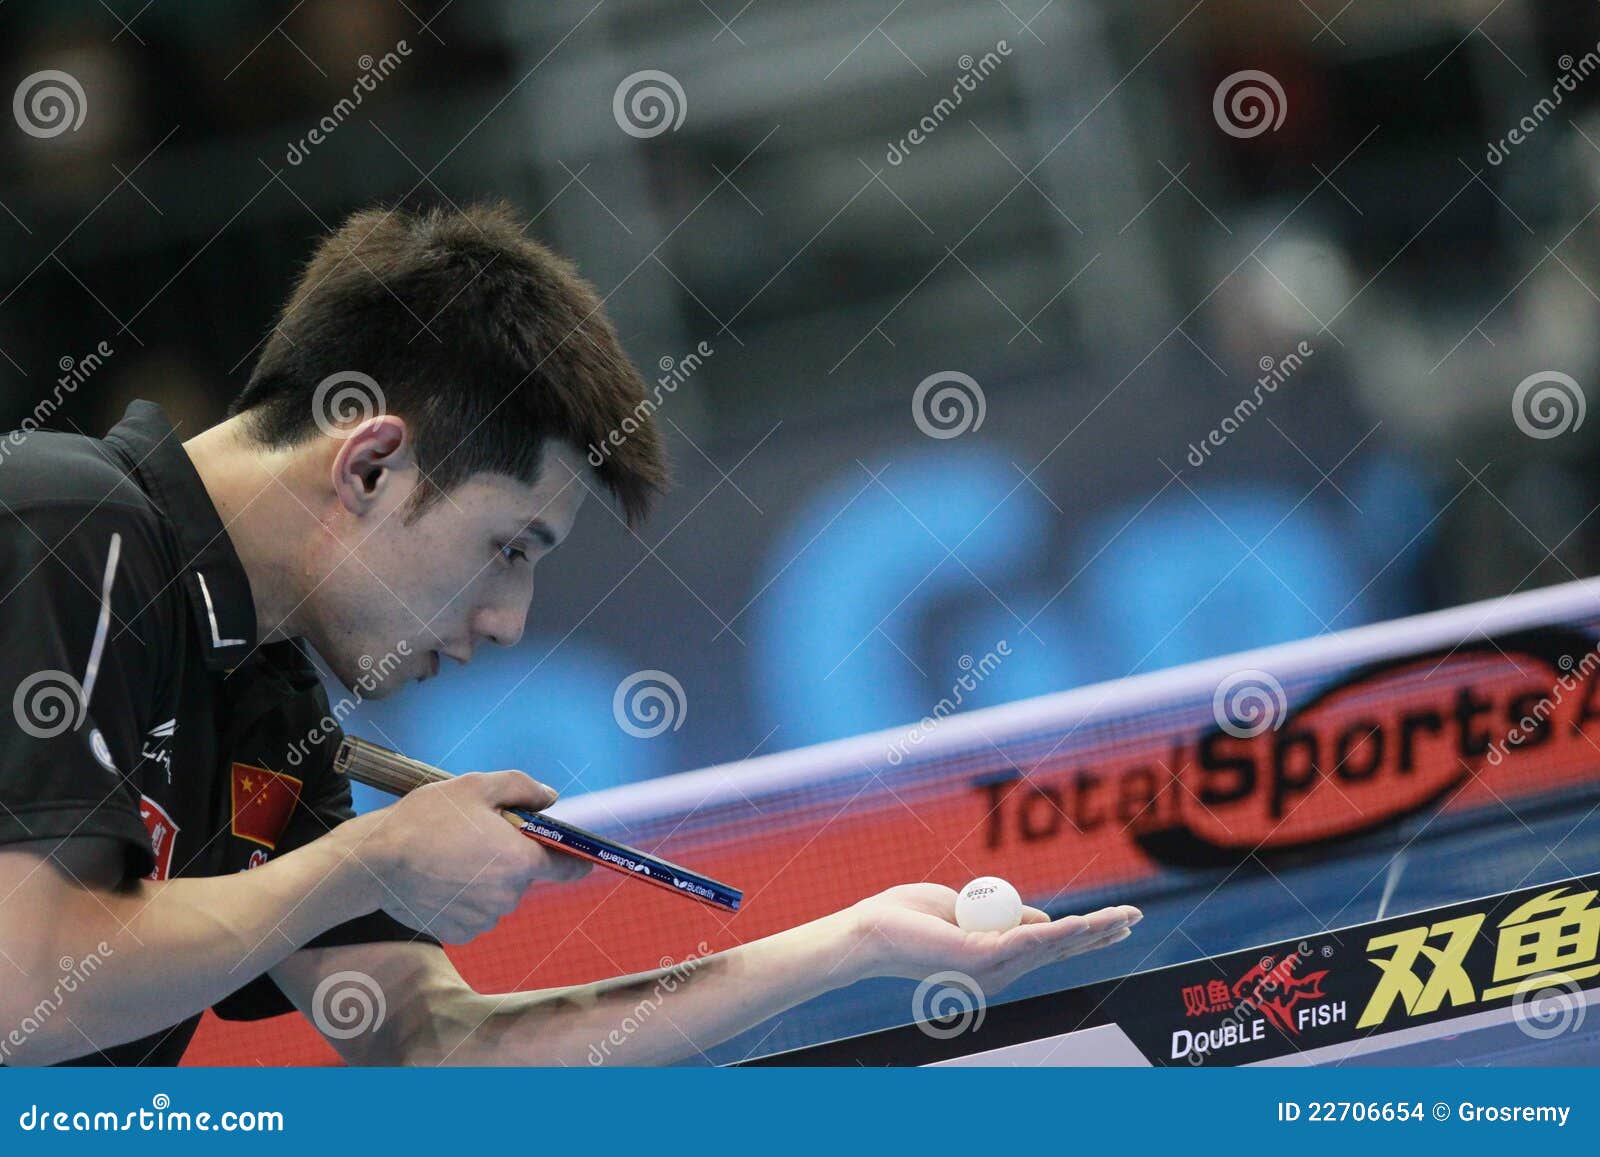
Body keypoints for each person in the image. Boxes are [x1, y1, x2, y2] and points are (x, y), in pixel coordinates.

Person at [0, 203, 1141, 1066]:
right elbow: (26, 985)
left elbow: (443, 1055)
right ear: (371, 463)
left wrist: (850, 944)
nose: (507, 621)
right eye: (508, 547)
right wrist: (368, 861)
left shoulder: (266, 701)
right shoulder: (62, 527)